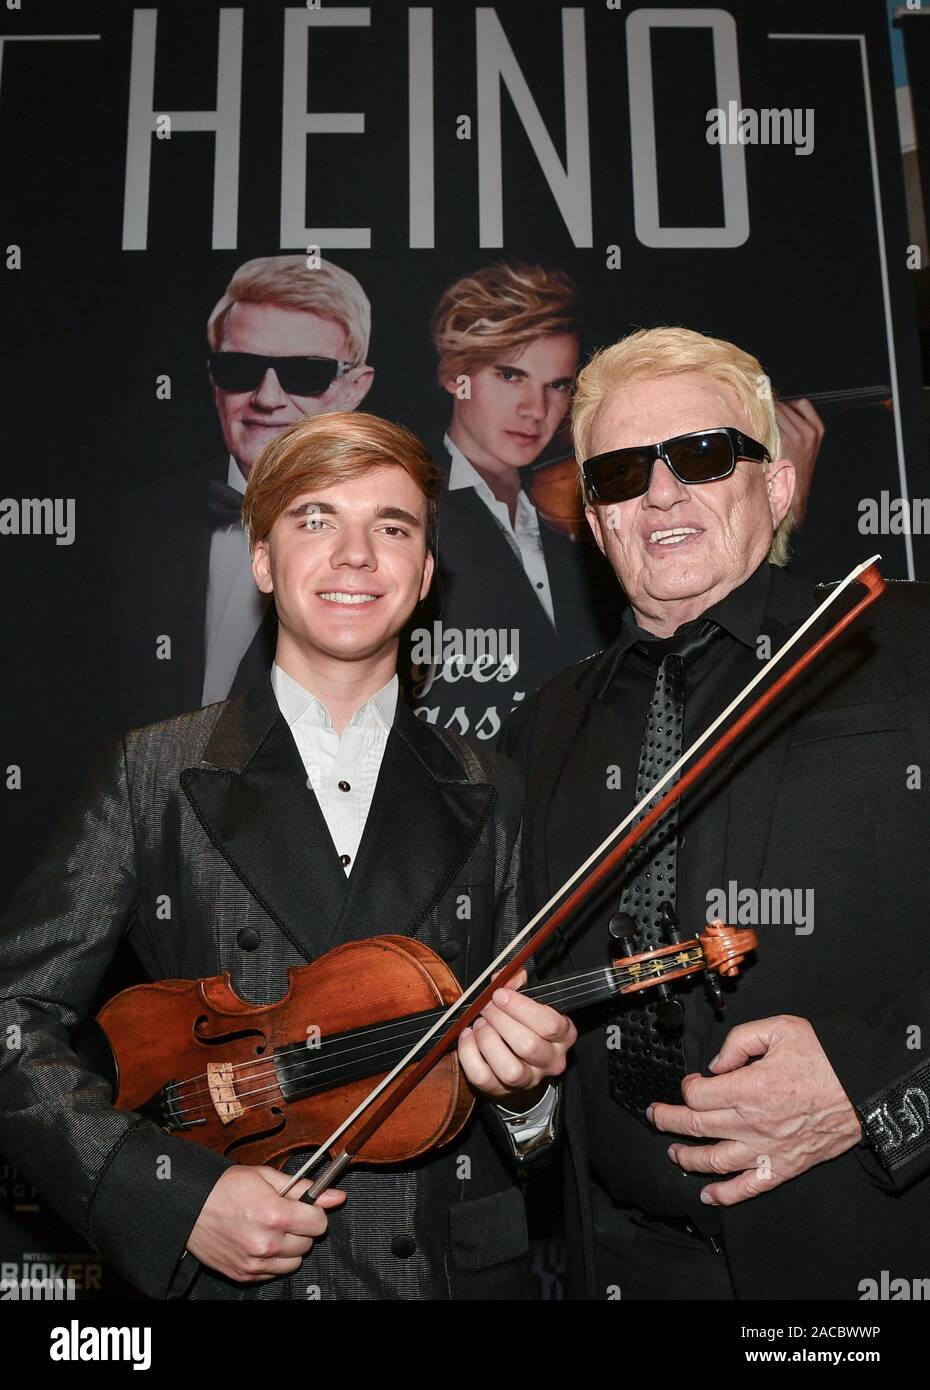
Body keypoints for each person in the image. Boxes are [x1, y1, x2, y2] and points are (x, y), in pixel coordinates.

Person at [0, 412, 575, 1301]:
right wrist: (177, 1199)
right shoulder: (152, 770)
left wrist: (527, 1096)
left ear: (425, 573)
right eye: (315, 519)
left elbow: (533, 1126)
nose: (355, 555)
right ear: (263, 561)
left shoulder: (498, 789)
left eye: (392, 526)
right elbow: (13, 1021)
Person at [499, 326, 930, 1300]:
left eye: (700, 456)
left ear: (775, 486)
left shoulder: (905, 647)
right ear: (597, 522)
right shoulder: (540, 732)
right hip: (618, 1265)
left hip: (867, 1261)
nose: (659, 494)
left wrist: (875, 1084)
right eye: (617, 473)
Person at [115, 254, 375, 727]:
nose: (267, 396)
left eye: (305, 373)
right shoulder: (143, 521)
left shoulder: (392, 533)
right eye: (240, 368)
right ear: (214, 378)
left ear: (354, 388)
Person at [411, 261, 617, 743]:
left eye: (558, 385)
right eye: (511, 375)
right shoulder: (412, 503)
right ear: (455, 375)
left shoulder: (572, 516)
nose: (536, 410)